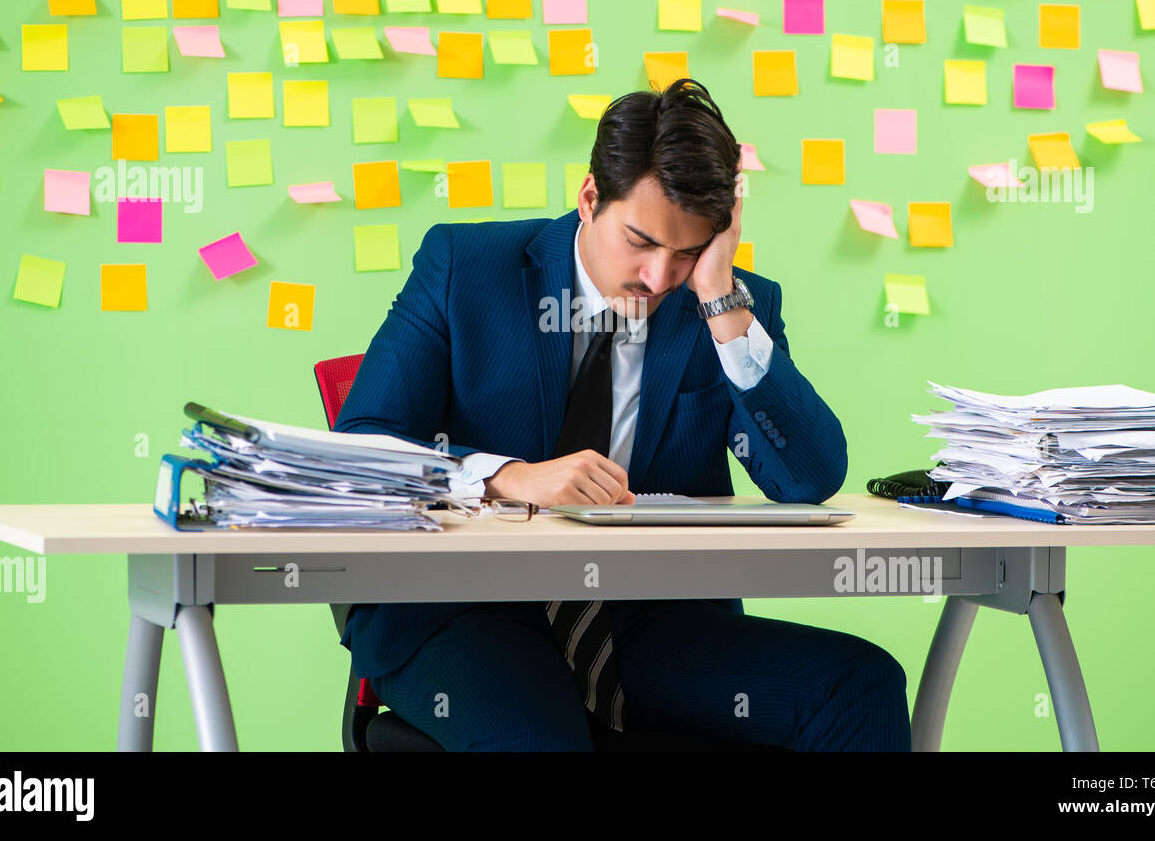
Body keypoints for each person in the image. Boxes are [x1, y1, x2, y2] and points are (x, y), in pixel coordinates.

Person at [335, 78, 910, 751]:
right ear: (588, 199)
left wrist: (722, 299)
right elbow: (360, 449)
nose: (660, 277)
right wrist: (510, 476)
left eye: (689, 251)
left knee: (861, 685)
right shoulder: (467, 267)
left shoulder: (726, 307)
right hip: (461, 616)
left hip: (645, 620)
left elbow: (807, 477)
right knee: (542, 740)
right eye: (640, 241)